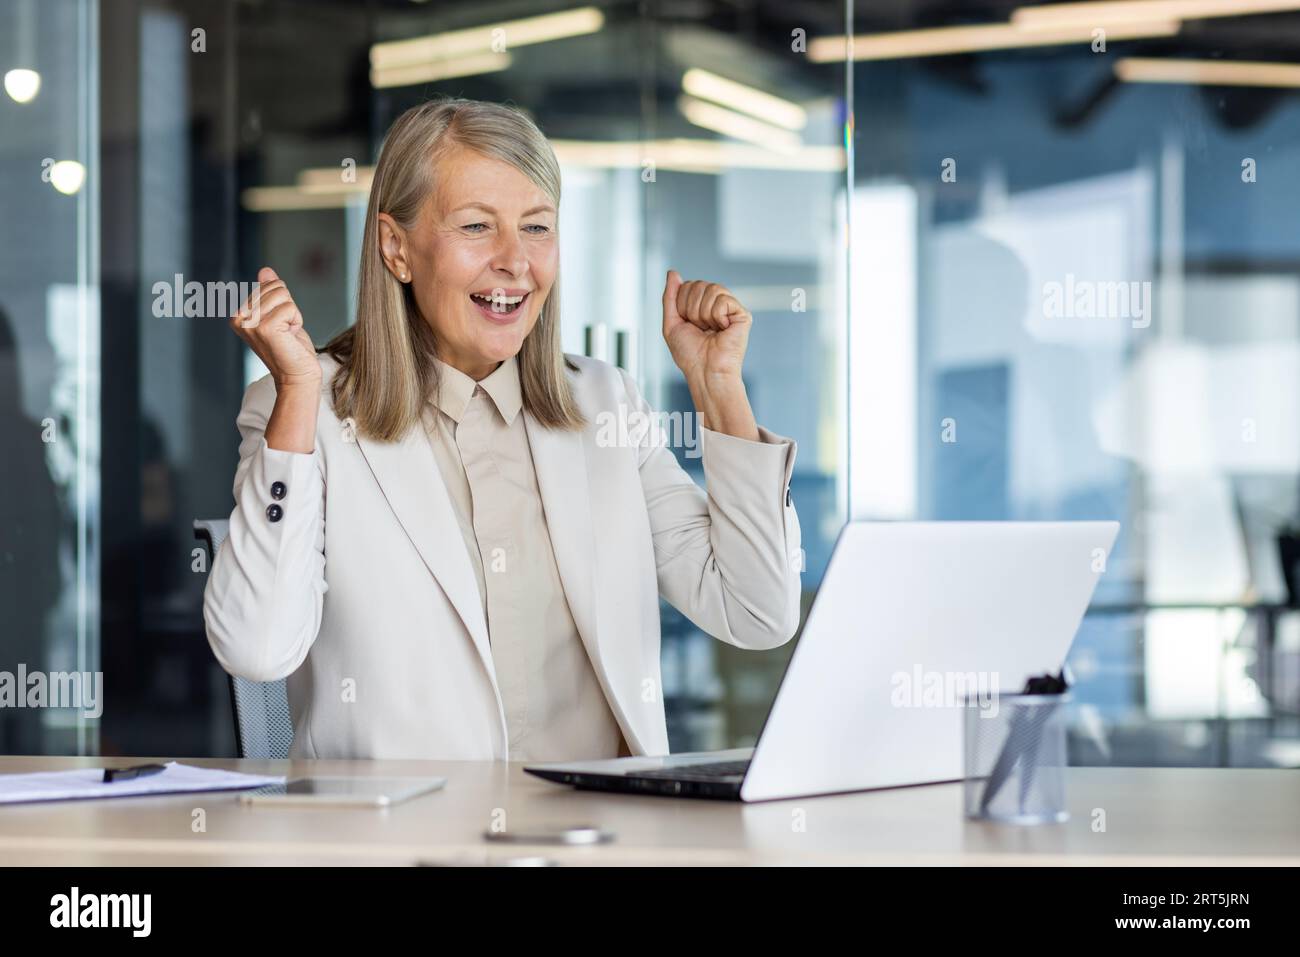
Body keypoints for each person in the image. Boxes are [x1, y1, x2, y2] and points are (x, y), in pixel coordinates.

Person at [203, 97, 802, 761]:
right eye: (478, 227)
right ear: (396, 247)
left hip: (598, 839)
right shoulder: (304, 406)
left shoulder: (605, 404)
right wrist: (297, 397)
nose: (517, 261)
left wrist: (718, 392)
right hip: (400, 844)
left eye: (537, 227)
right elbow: (256, 649)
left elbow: (756, 611)